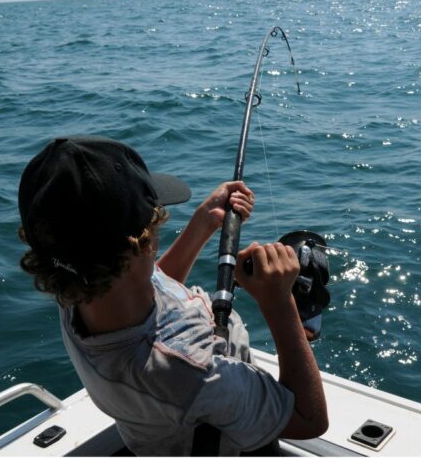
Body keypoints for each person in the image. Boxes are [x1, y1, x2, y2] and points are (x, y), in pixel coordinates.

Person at [17, 135, 327, 456]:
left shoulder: (76, 286)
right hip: (225, 434)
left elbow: (147, 286)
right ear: (138, 246)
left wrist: (204, 223)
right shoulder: (190, 373)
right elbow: (309, 420)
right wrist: (278, 303)